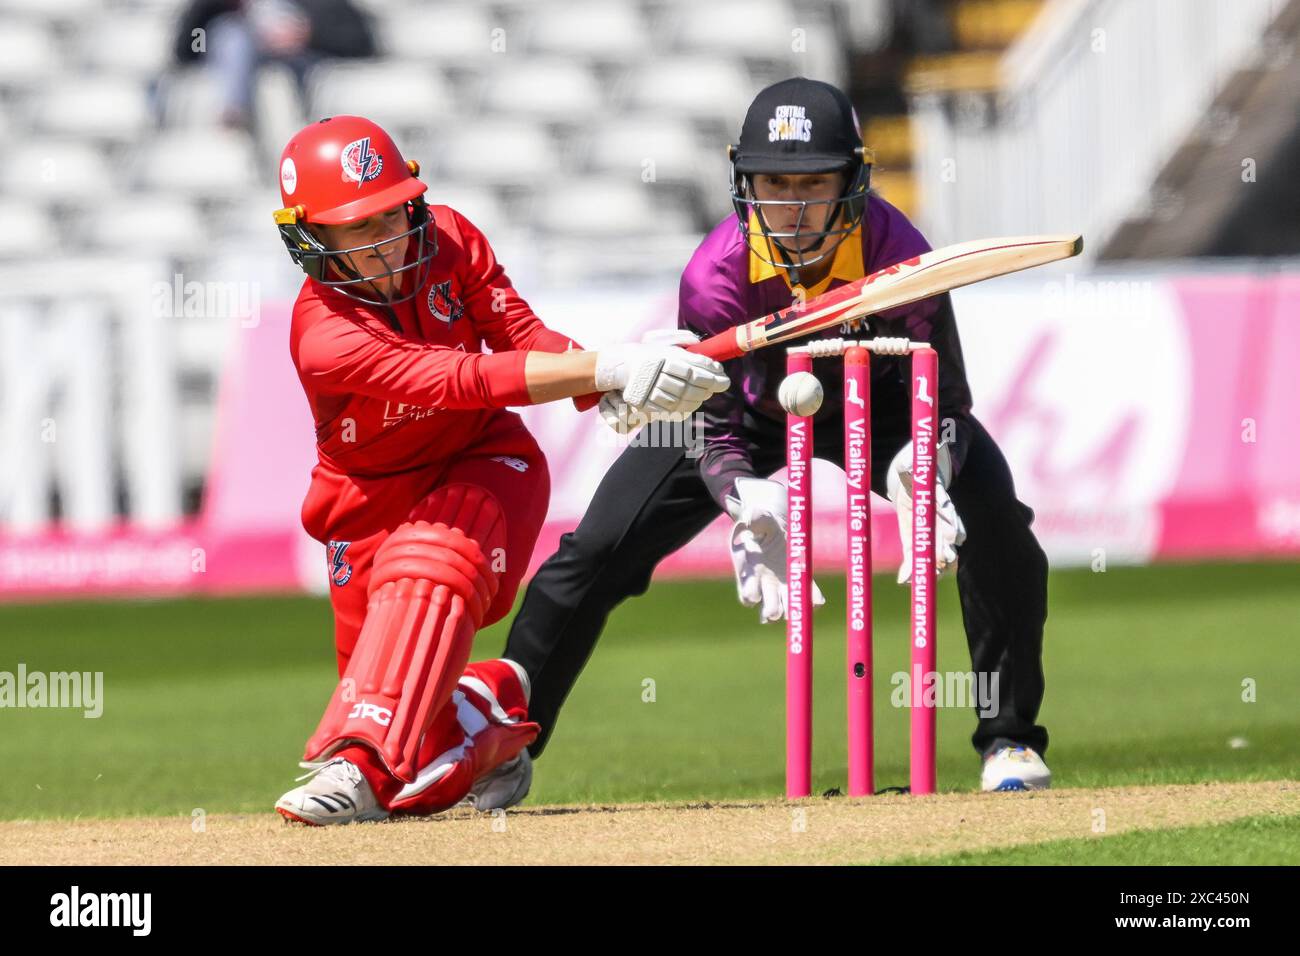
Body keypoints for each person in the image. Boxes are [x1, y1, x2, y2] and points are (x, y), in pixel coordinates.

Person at [496, 77, 1052, 802]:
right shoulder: (714, 276)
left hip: (883, 413)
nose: (791, 205)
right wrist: (739, 493)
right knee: (595, 552)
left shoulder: (901, 253)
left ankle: (1008, 740)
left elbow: (942, 398)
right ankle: (503, 745)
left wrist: (926, 461)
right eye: (773, 182)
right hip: (749, 414)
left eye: (812, 183)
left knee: (1000, 534)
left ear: (852, 180)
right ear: (743, 181)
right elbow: (712, 423)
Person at [269, 115, 729, 824]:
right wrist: (607, 364)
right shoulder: (324, 333)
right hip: (365, 511)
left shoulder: (451, 237)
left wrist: (604, 381)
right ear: (312, 240)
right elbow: (458, 377)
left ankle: (352, 766)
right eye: (358, 230)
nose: (387, 242)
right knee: (413, 759)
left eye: (393, 215)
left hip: (487, 462)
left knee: (429, 565)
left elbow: (516, 335)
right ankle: (487, 725)